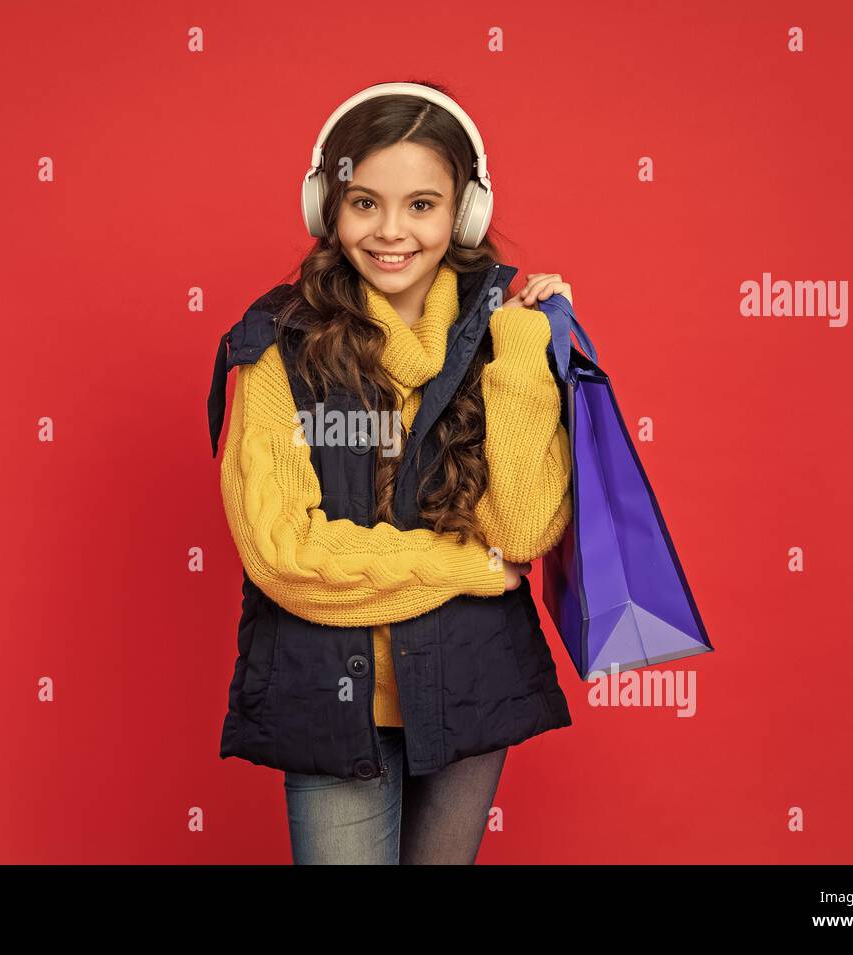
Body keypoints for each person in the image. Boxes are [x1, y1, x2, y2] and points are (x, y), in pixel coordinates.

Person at [211, 79, 575, 864]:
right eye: (365, 202)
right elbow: (284, 552)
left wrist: (521, 350)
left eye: (421, 204)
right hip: (333, 701)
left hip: (466, 687)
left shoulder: (504, 333)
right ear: (327, 208)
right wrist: (466, 565)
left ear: (463, 213)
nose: (391, 231)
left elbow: (522, 529)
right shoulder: (275, 347)